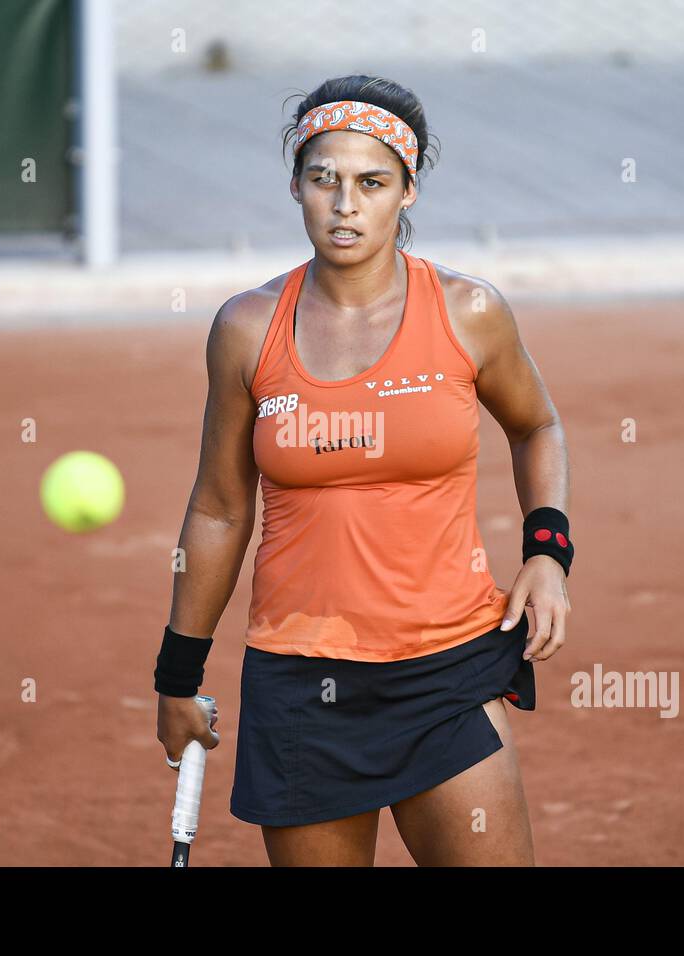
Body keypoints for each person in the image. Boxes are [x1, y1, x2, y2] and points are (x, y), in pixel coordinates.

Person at [155, 74, 573, 866]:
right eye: (325, 180)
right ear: (296, 187)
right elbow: (218, 509)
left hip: (446, 671)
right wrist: (178, 675)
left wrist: (548, 554)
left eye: (372, 183)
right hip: (302, 685)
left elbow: (537, 425)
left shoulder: (467, 312)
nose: (345, 204)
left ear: (408, 190)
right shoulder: (247, 328)